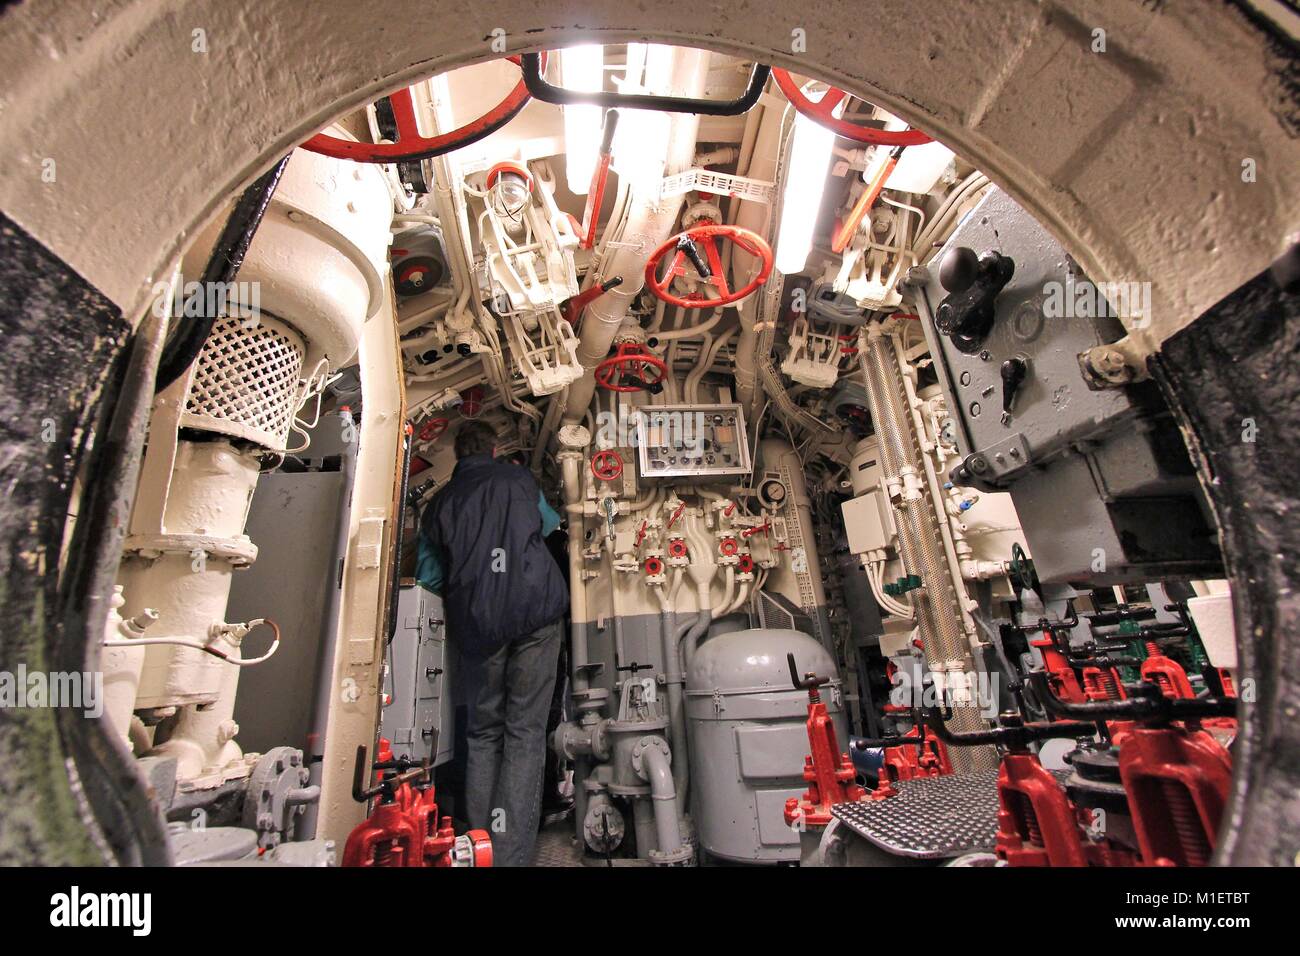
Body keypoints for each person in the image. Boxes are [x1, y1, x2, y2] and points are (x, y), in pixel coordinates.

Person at [415, 420, 568, 866]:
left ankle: (478, 849)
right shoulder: (518, 479)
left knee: (482, 735)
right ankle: (512, 853)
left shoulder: (439, 504)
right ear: (496, 448)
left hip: (478, 625)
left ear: (458, 455)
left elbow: (429, 577)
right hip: (535, 614)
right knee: (524, 733)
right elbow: (549, 522)